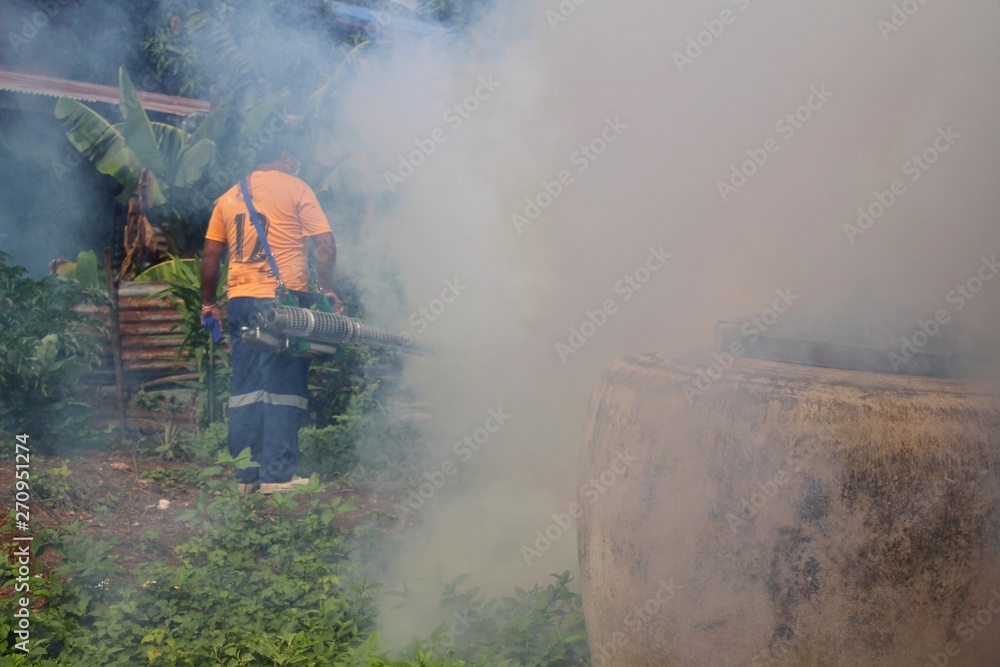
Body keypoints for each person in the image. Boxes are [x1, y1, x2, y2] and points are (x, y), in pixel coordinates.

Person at [200, 142, 341, 494]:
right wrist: (326, 290)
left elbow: (211, 255)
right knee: (284, 387)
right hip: (283, 302)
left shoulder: (229, 196)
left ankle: (246, 477)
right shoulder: (296, 187)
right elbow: (326, 244)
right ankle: (277, 476)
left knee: (245, 387)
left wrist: (207, 304)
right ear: (286, 157)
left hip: (240, 301)